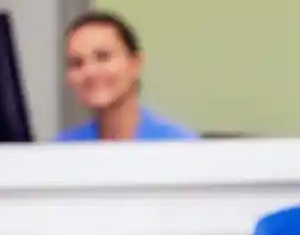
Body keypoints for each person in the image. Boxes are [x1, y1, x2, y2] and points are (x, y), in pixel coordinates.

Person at [55, 10, 197, 142]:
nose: (90, 72)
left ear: (135, 63)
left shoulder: (179, 146)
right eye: (76, 63)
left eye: (103, 57)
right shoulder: (60, 151)